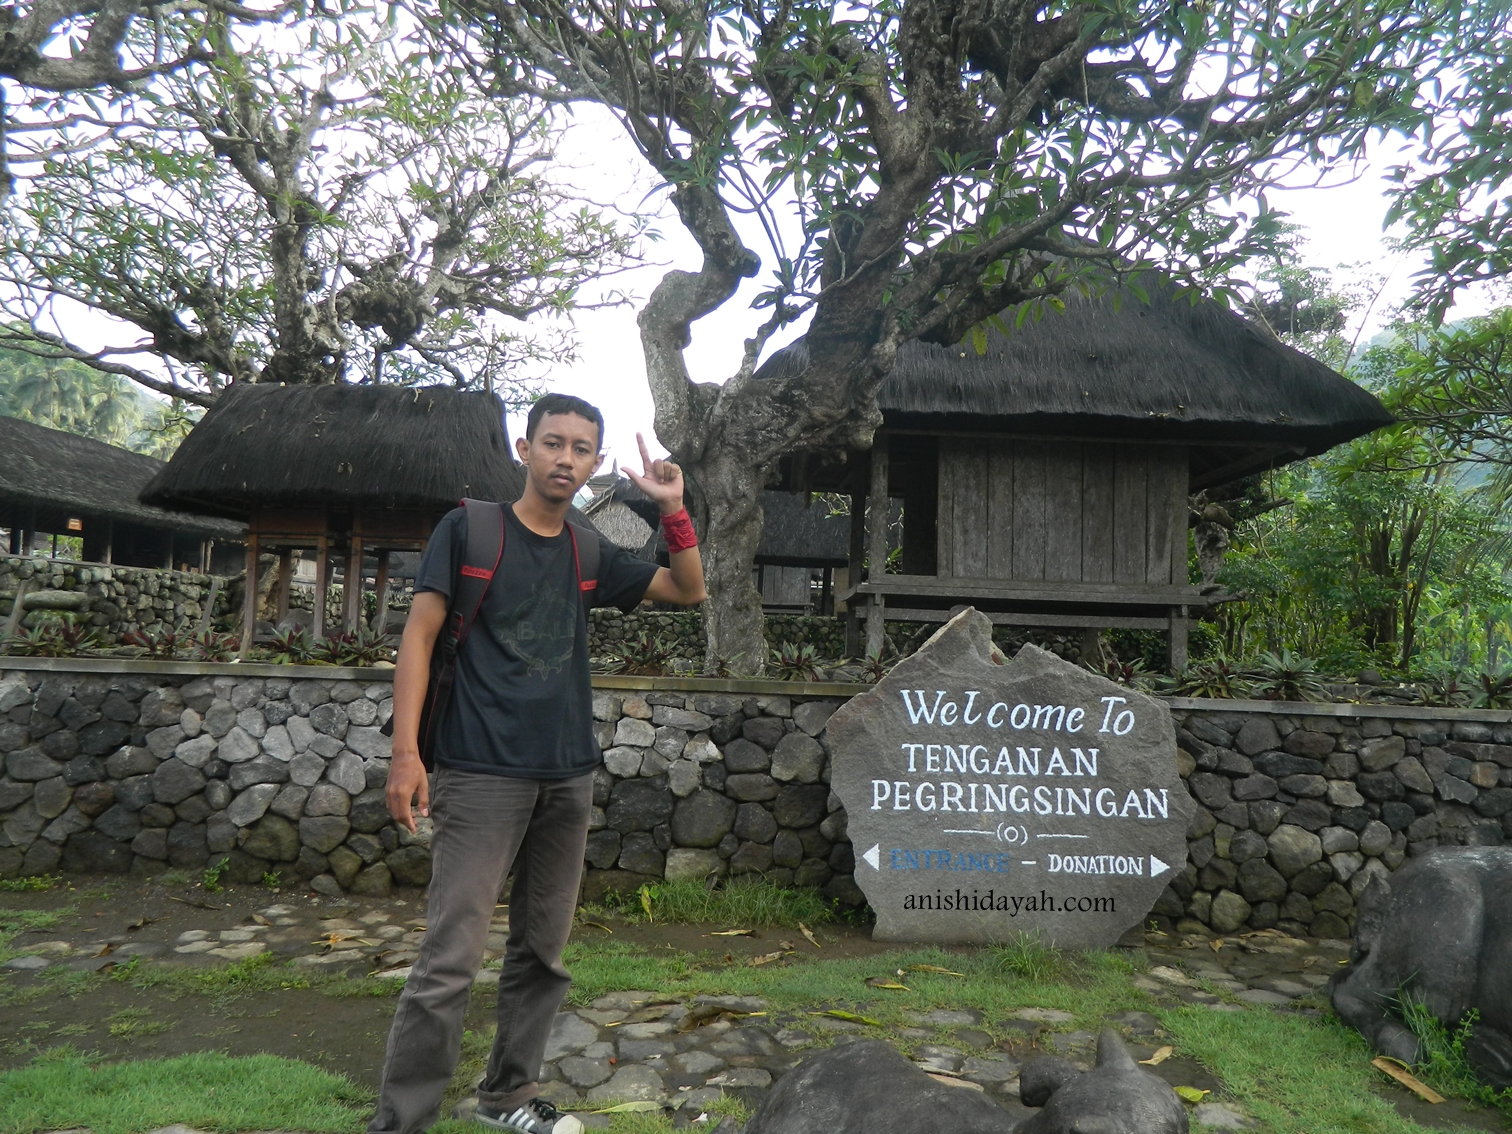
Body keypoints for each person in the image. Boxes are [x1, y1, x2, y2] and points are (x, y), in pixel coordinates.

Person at [369, 393, 706, 1134]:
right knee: (450, 960)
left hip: (567, 772)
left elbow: (687, 588)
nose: (565, 458)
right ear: (524, 449)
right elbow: (419, 638)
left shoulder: (588, 550)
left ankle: (508, 1099)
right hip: (479, 767)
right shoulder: (470, 531)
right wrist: (404, 755)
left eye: (581, 449)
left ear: (592, 464)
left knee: (542, 954)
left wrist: (673, 507)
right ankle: (403, 1122)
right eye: (552, 442)